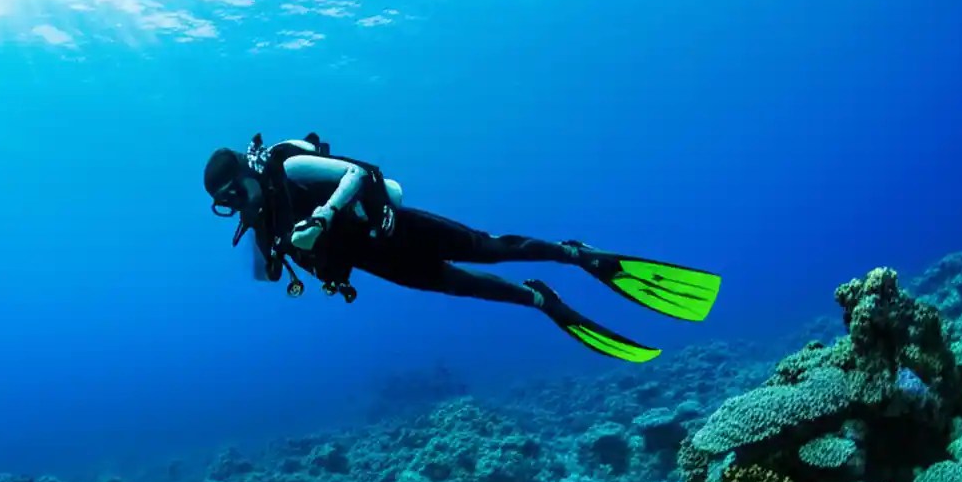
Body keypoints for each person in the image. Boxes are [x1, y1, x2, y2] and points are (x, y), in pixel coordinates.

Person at [202, 133, 721, 363]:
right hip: (380, 262)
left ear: (247, 174)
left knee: (488, 248)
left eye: (235, 195)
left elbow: (361, 172)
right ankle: (543, 301)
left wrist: (322, 216)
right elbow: (271, 275)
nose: (236, 206)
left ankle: (576, 254)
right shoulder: (263, 219)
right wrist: (268, 245)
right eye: (225, 205)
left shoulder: (287, 170)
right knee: (463, 286)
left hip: (396, 229)